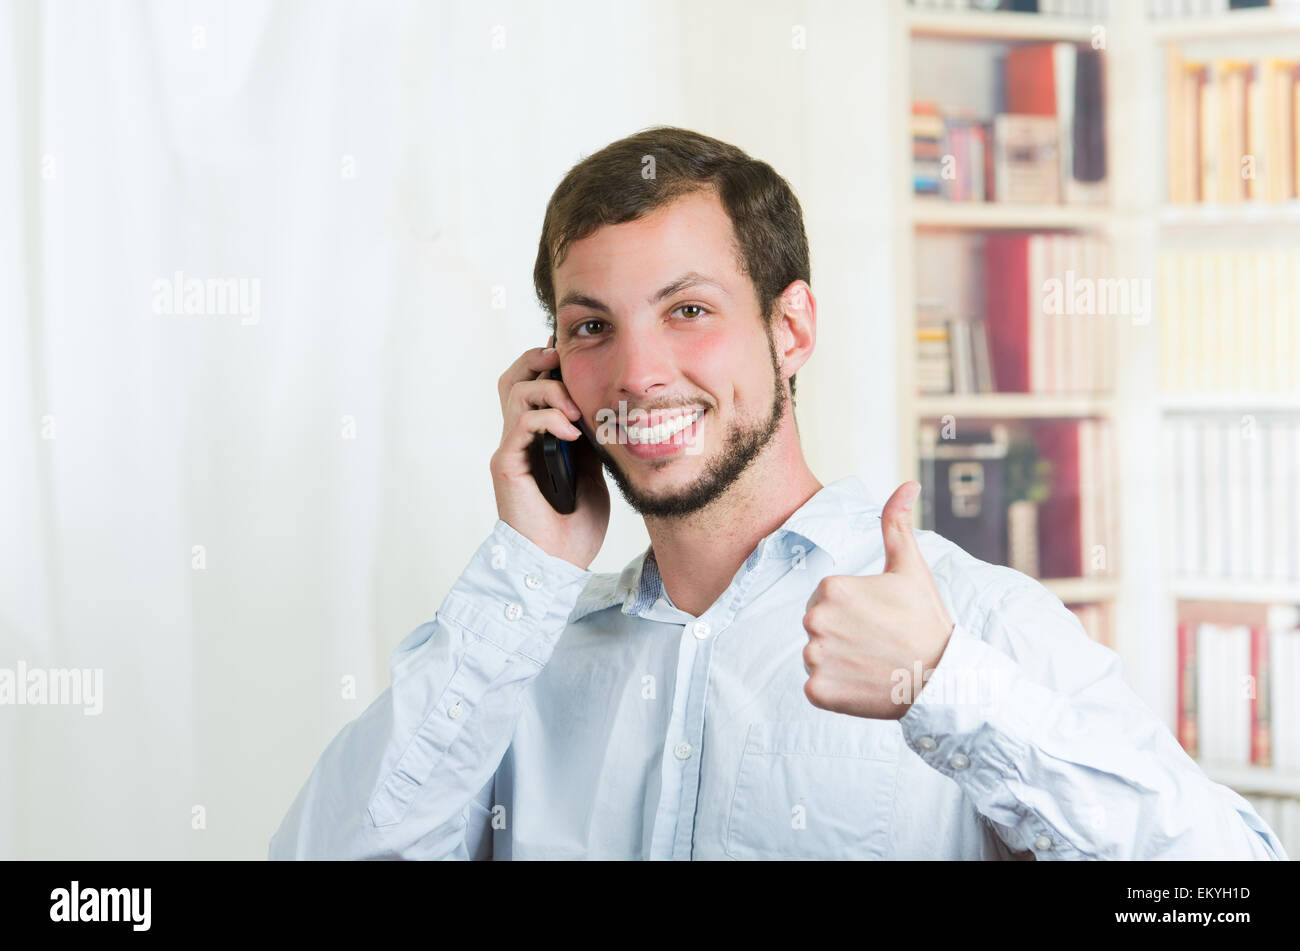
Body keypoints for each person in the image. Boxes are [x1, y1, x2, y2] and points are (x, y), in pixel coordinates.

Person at [269, 127, 1287, 860]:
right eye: (591, 328)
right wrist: (527, 573)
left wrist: (946, 687)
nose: (638, 371)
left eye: (689, 310)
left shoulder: (966, 627)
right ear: (547, 374)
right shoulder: (517, 660)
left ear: (790, 328)